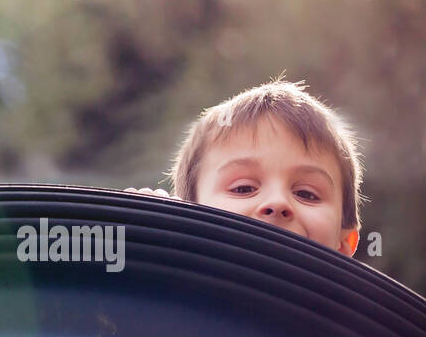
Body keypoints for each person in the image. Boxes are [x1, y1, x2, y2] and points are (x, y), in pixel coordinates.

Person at [127, 79, 362, 255]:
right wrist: (142, 245)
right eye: (243, 189)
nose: (277, 203)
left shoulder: (365, 320)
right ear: (186, 221)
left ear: (343, 245)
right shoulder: (165, 305)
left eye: (306, 194)